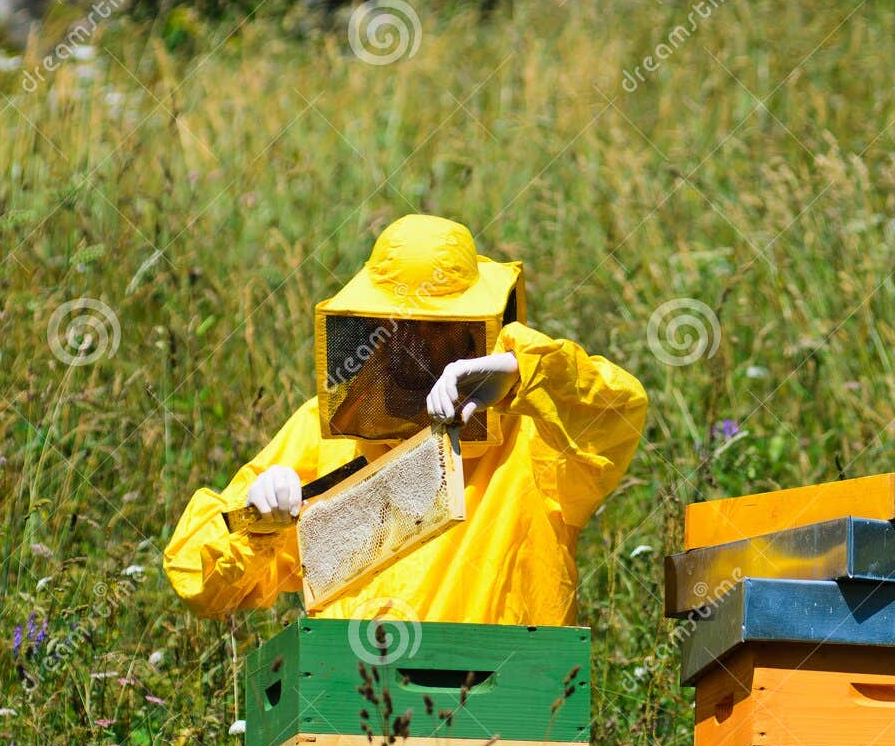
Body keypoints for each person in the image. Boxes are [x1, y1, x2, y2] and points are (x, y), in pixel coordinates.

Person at [162, 214, 647, 626]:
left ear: (477, 331)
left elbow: (617, 409)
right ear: (370, 332)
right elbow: (198, 578)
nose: (417, 347)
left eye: (438, 331)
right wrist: (256, 522)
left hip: (499, 715)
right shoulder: (325, 433)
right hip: (350, 715)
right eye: (398, 329)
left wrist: (524, 373)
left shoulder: (535, 434)